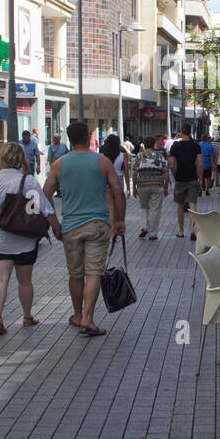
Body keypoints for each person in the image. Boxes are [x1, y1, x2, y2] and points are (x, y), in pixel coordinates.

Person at [44, 121, 125, 337]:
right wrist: (119, 221)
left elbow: (44, 195)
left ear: (69, 139)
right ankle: (89, 319)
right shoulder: (102, 161)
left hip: (70, 226)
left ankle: (77, 315)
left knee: (75, 274)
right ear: (89, 138)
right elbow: (118, 192)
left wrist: (55, 224)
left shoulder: (59, 164)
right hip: (98, 225)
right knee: (94, 273)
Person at [0, 142, 61, 335]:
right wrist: (56, 228)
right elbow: (45, 208)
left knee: (0, 279)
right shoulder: (29, 181)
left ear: (1, 158)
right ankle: (27, 316)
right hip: (24, 239)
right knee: (25, 280)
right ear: (21, 159)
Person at [168, 124, 204, 240]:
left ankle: (181, 230)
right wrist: (200, 179)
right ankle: (193, 230)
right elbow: (199, 164)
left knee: (180, 205)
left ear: (181, 132)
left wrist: (175, 176)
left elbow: (172, 165)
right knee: (192, 204)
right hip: (192, 178)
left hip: (180, 179)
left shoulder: (175, 146)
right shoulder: (196, 146)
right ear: (190, 132)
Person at [132, 135, 169, 240]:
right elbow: (166, 174)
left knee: (143, 207)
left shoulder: (139, 156)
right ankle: (152, 233)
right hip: (157, 184)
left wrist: (134, 187)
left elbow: (134, 173)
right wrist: (166, 188)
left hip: (142, 185)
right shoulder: (160, 156)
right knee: (155, 209)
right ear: (153, 144)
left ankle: (144, 227)